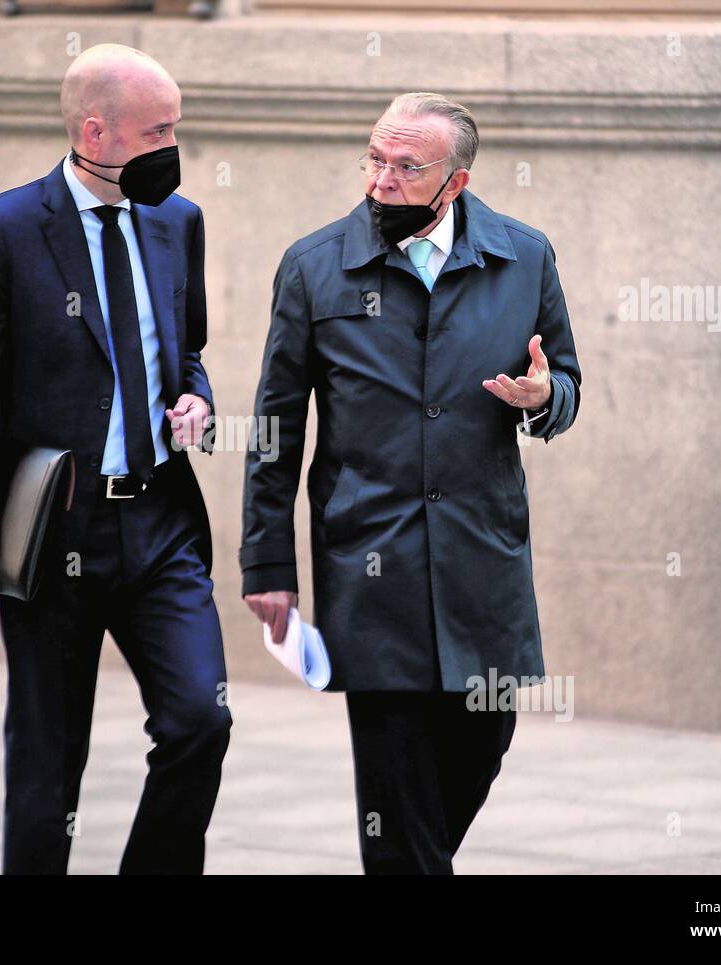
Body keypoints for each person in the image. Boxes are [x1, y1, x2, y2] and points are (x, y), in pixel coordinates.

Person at [240, 92, 582, 874]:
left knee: (482, 741)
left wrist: (544, 397)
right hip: (371, 564)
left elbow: (565, 382)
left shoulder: (524, 256)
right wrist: (268, 564)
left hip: (481, 560)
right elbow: (275, 428)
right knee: (396, 794)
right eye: (374, 158)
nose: (380, 180)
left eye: (405, 166)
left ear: (455, 182)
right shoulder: (314, 265)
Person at [0, 43, 230, 875]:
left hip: (162, 522)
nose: (173, 146)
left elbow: (187, 350)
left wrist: (197, 399)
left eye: (176, 127)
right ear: (95, 132)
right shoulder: (3, 230)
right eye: (157, 131)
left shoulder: (177, 221)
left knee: (201, 720)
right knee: (49, 755)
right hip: (54, 526)